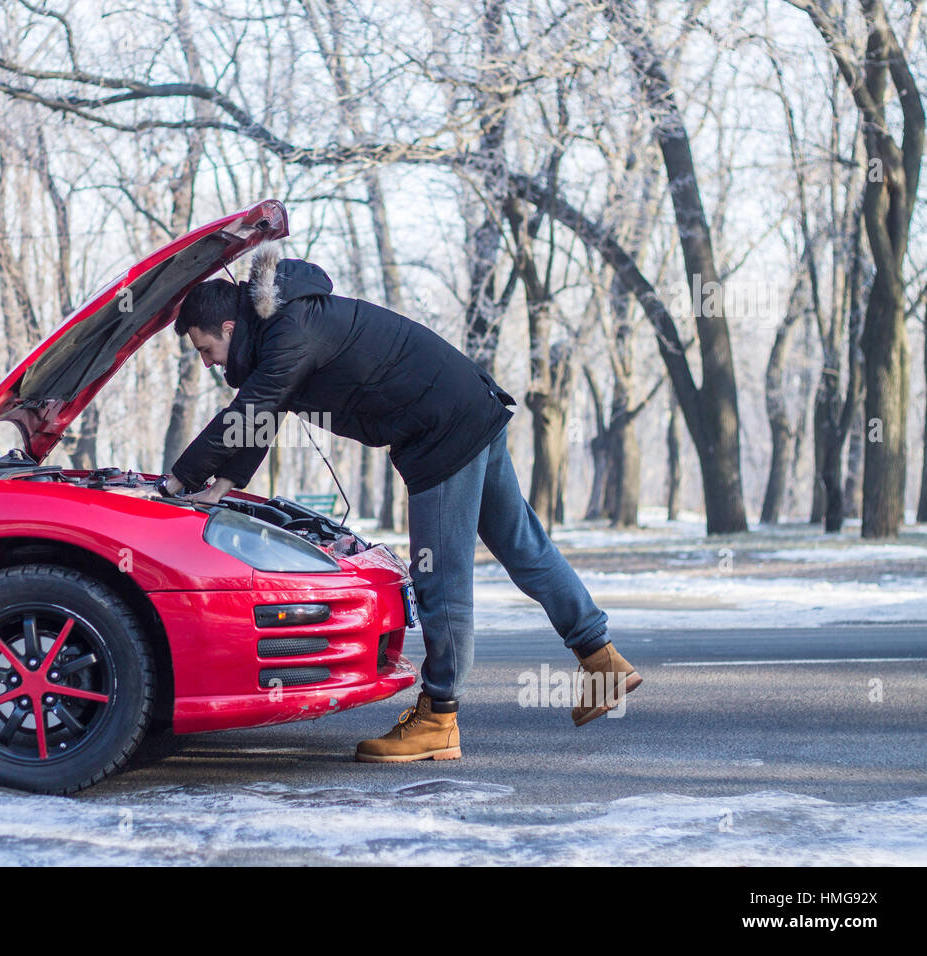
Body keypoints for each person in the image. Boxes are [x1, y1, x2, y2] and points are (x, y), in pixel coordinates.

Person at [160, 242, 641, 761]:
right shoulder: (289, 323)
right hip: (471, 409)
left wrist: (177, 481)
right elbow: (263, 412)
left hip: (442, 433)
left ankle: (439, 718)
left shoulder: (291, 329)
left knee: (440, 579)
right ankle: (602, 661)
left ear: (229, 327)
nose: (207, 362)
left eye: (205, 348)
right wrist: (223, 484)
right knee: (524, 548)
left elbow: (253, 405)